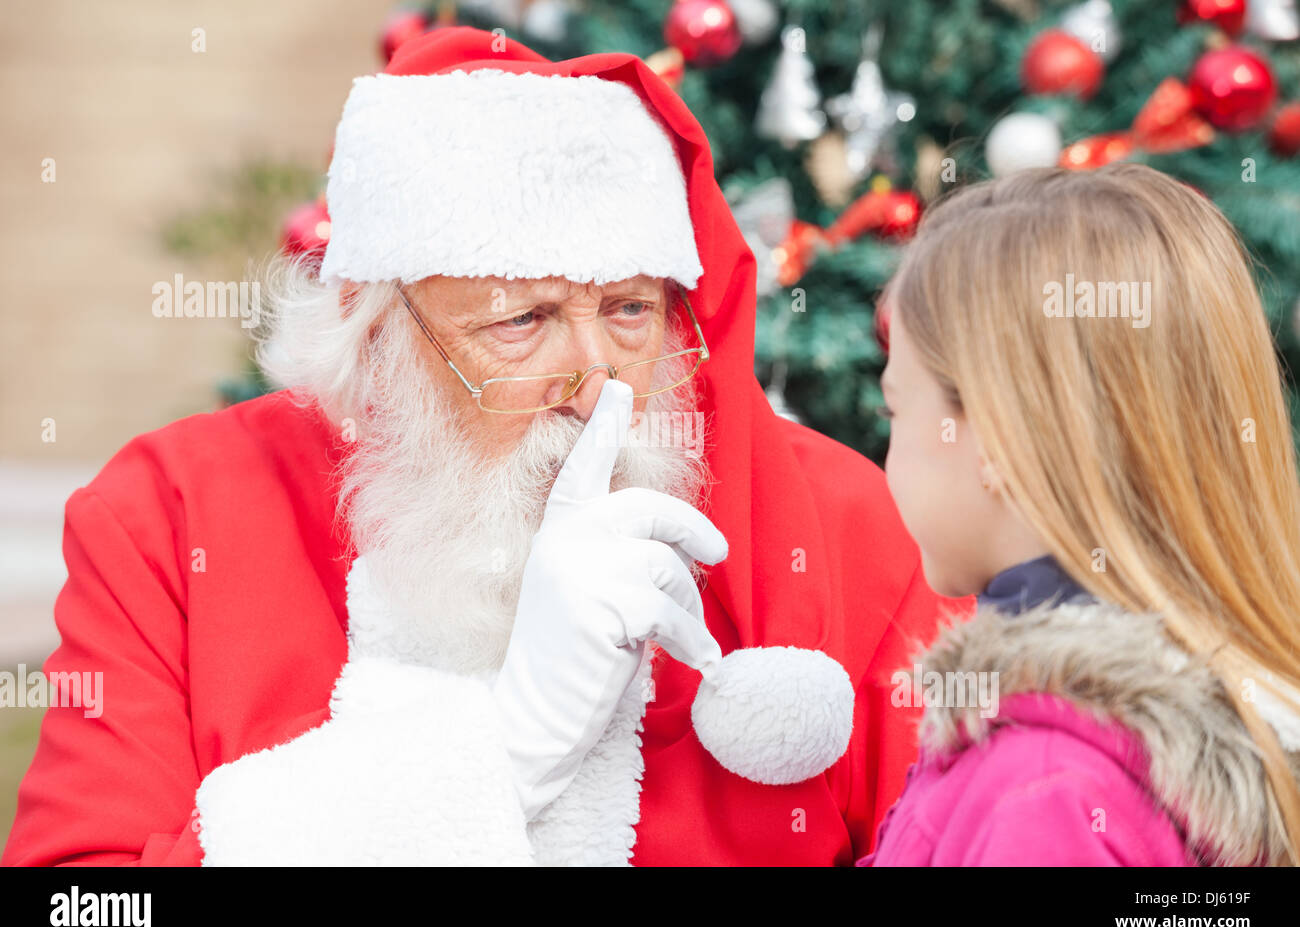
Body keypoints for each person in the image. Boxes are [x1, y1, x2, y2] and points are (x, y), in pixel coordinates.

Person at [2, 26, 966, 867]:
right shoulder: (172, 512)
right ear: (376, 332)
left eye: (631, 310)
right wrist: (507, 750)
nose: (598, 383)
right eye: (523, 320)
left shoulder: (842, 525)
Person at [860, 163, 1300, 866]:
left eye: (895, 408)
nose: (889, 446)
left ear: (997, 438)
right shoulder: (1220, 712)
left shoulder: (1043, 788)